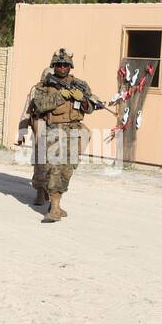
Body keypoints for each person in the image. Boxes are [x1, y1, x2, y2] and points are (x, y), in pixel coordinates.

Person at [28, 49, 107, 222]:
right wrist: (60, 96)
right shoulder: (44, 86)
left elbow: (90, 109)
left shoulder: (81, 85)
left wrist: (84, 100)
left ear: (70, 66)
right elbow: (39, 106)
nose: (62, 68)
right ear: (53, 66)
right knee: (54, 167)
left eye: (65, 65)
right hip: (54, 130)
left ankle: (56, 202)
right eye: (58, 64)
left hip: (74, 130)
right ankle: (54, 208)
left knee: (67, 170)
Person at [16, 67, 53, 205]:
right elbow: (27, 112)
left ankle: (47, 191)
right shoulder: (36, 90)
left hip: (56, 130)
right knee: (40, 162)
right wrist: (21, 133)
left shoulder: (59, 91)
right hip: (41, 129)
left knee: (51, 163)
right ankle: (40, 192)